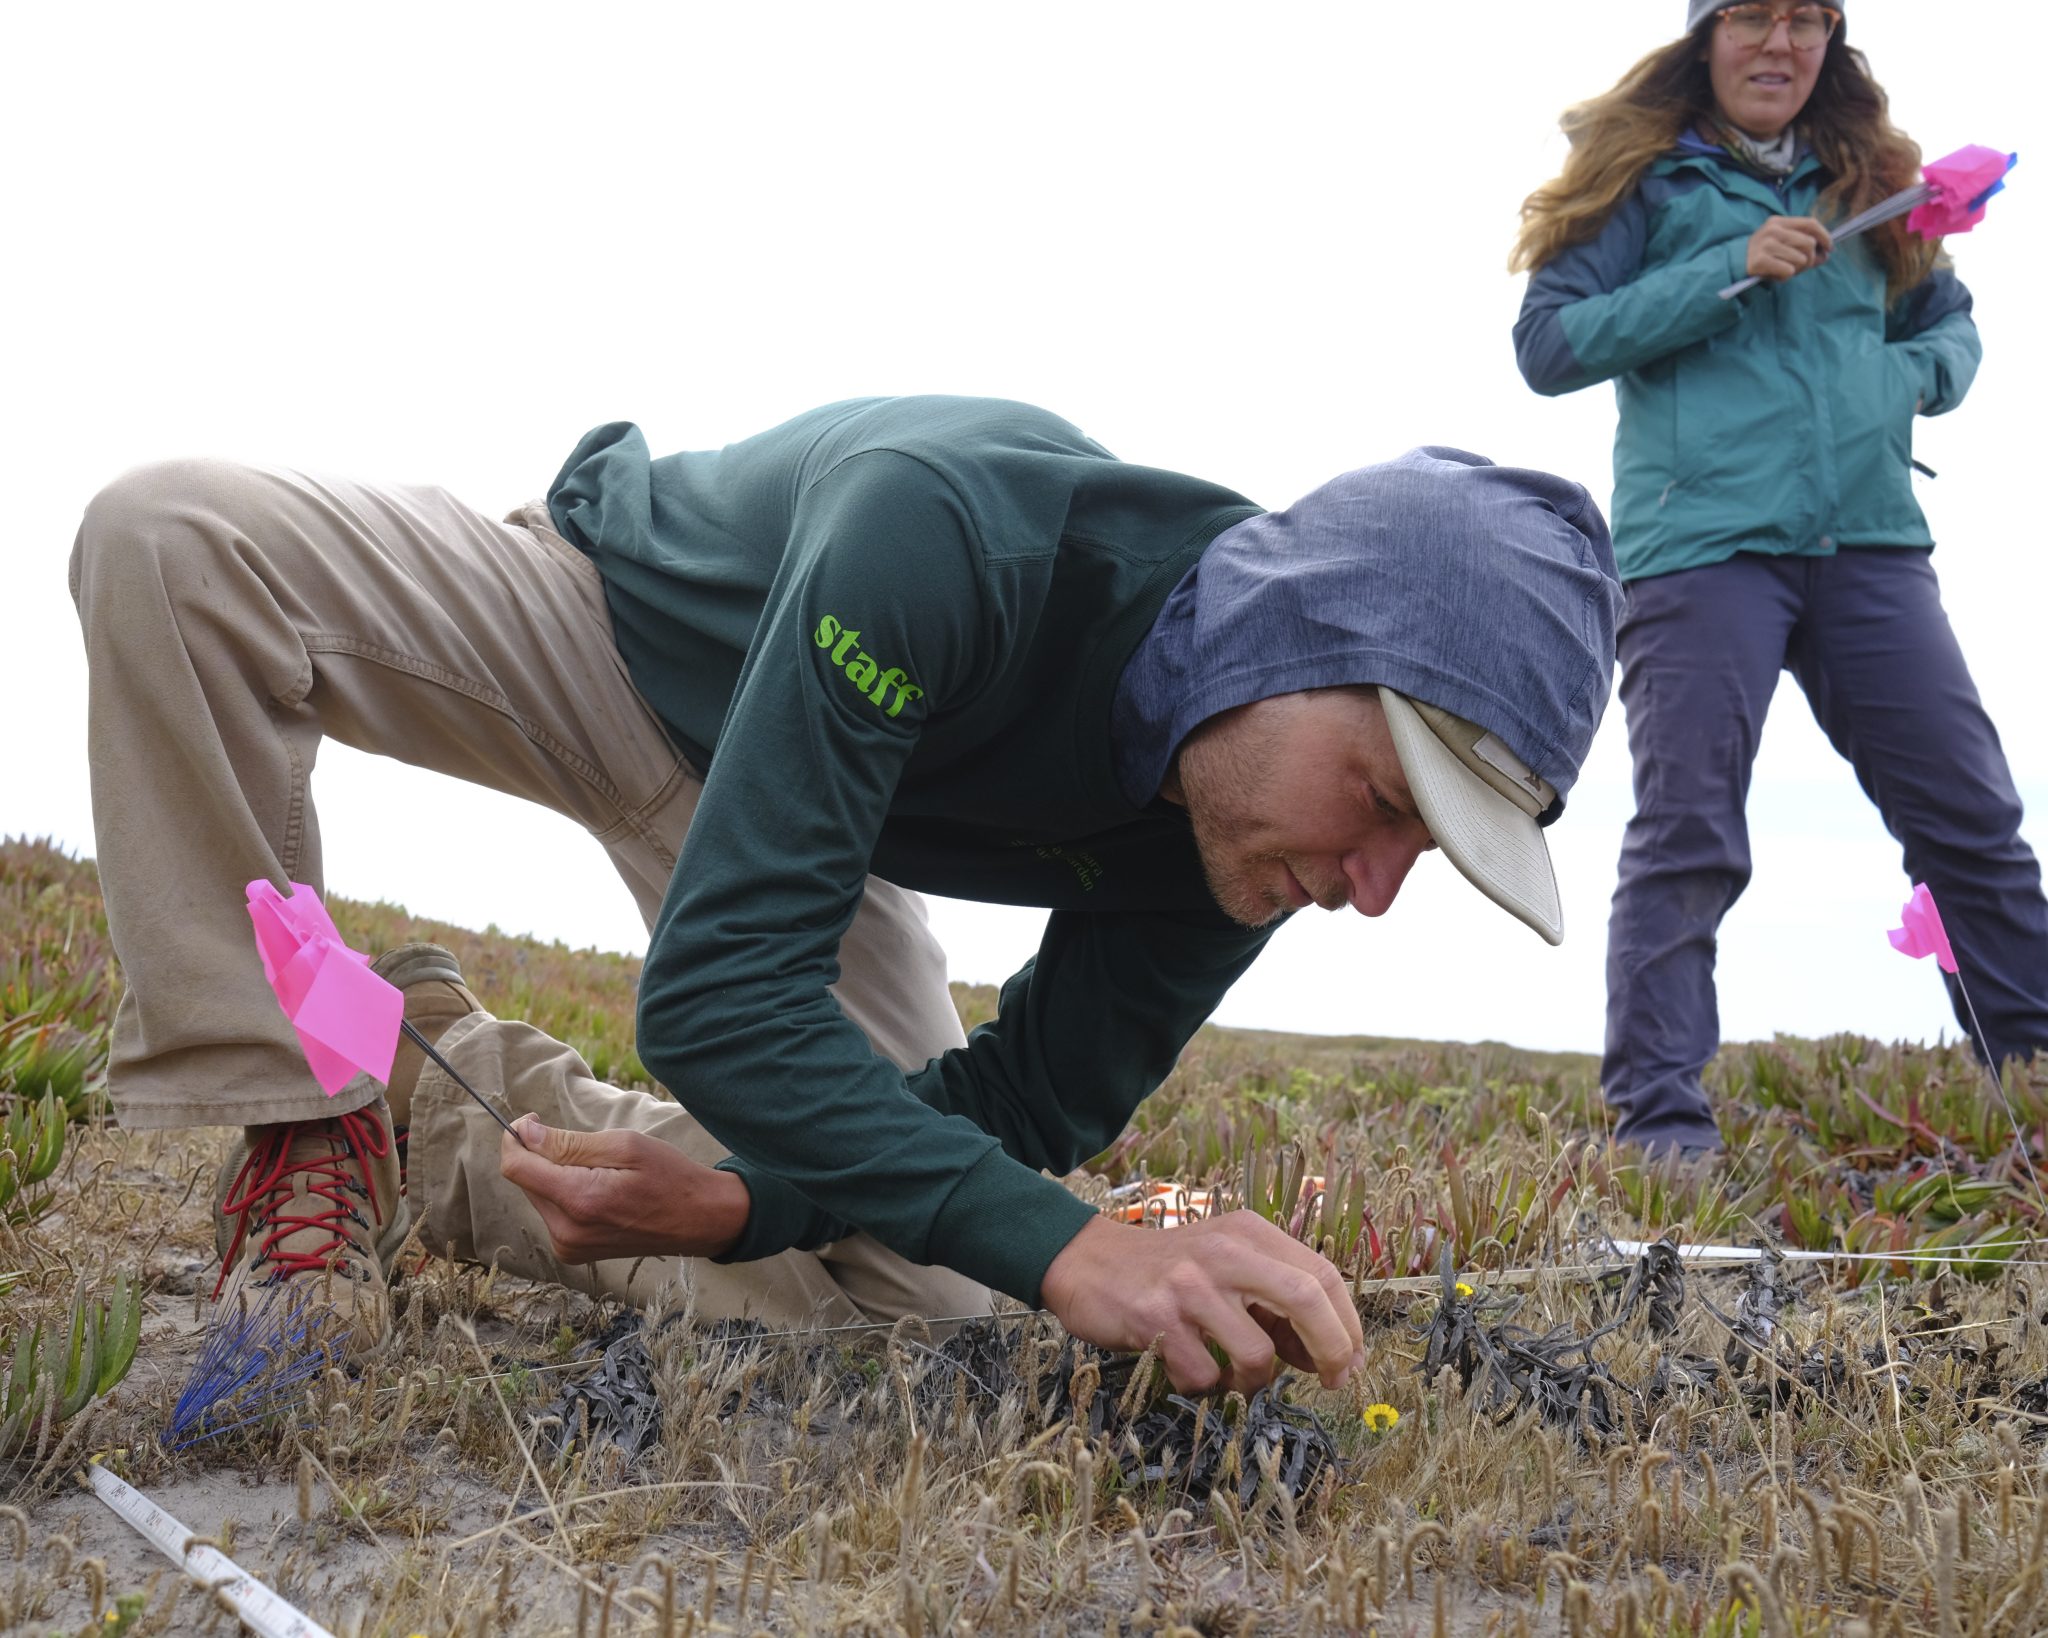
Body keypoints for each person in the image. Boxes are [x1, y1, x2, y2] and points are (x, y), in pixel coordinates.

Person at [69, 396, 1620, 1392]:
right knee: (174, 541)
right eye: (1387, 805)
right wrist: (1083, 1249)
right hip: (626, 641)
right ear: (1291, 635)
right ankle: (298, 1107)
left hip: (827, 830)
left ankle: (420, 1082)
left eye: (1428, 858)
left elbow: (1020, 1102)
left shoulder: (1253, 835)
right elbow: (721, 1003)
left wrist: (750, 1195)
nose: (1370, 889)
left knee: (923, 1287)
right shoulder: (959, 526)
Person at [1511, 1, 2048, 1155]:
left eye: (1806, 19)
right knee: (1689, 832)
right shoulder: (1647, 179)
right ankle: (1661, 1128)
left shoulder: (1873, 182)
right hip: (1699, 547)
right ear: (1705, 37)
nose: (1778, 43)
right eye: (1751, 16)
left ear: (1830, 42)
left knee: (1971, 822)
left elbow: (1949, 328)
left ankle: (2036, 1087)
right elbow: (1546, 346)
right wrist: (1724, 267)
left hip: (1868, 543)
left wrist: (1900, 379)